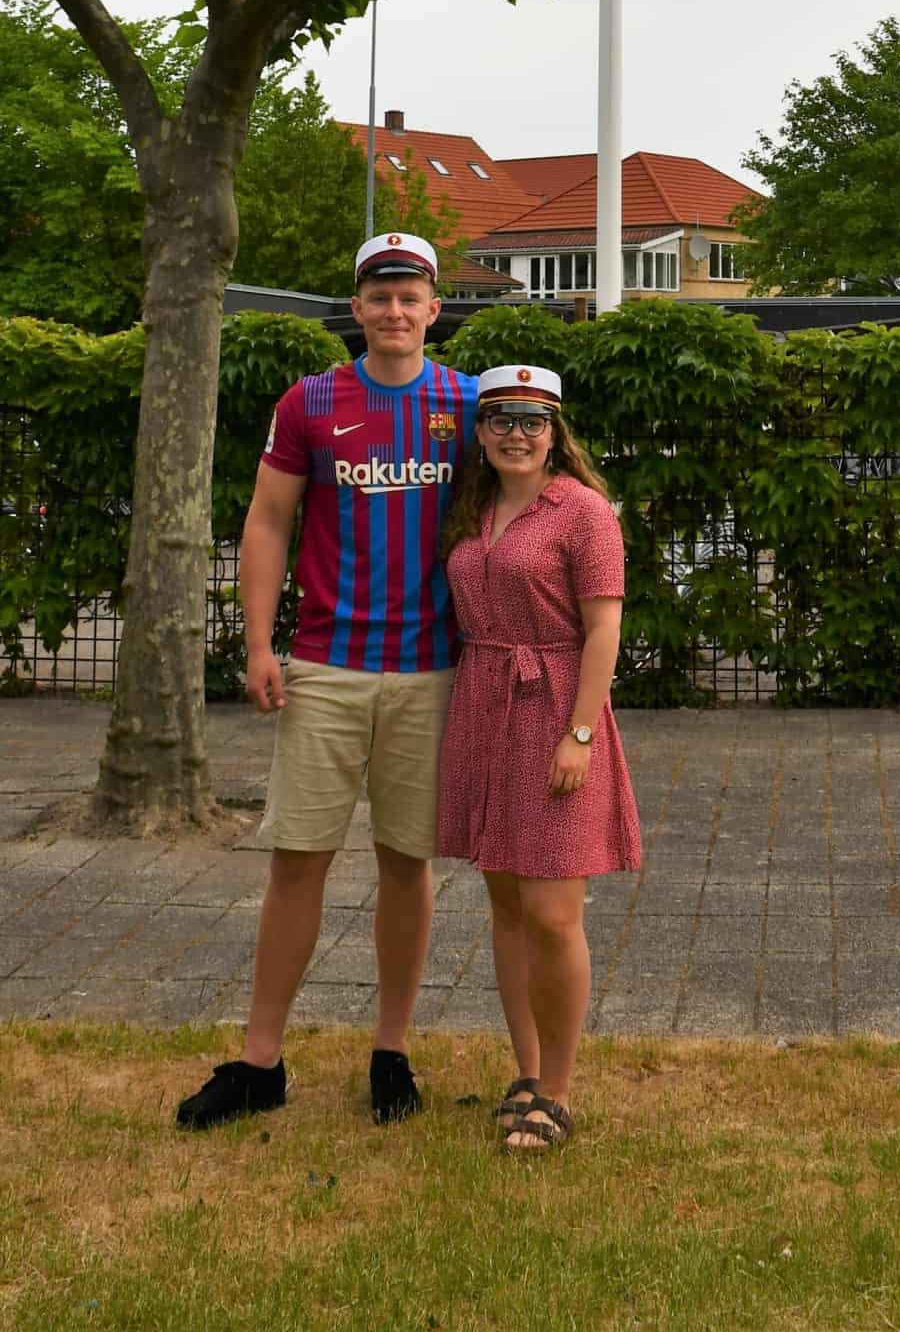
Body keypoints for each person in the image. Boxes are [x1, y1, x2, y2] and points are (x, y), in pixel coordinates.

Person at [176, 231, 477, 1132]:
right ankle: (260, 1061)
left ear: (434, 310)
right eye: (379, 295)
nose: (394, 310)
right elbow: (267, 521)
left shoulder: (470, 404)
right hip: (326, 664)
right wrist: (257, 643)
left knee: (407, 864)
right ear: (356, 309)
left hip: (432, 671)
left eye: (410, 296)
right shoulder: (309, 401)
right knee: (298, 860)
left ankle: (392, 1051)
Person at [435, 363, 641, 1152]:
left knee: (554, 914)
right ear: (480, 432)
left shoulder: (584, 512)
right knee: (509, 907)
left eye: (532, 421)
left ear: (555, 434)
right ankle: (525, 1072)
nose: (516, 434)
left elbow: (604, 630)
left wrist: (580, 733)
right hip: (483, 706)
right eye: (501, 420)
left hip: (554, 708)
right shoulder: (473, 508)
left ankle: (558, 1091)